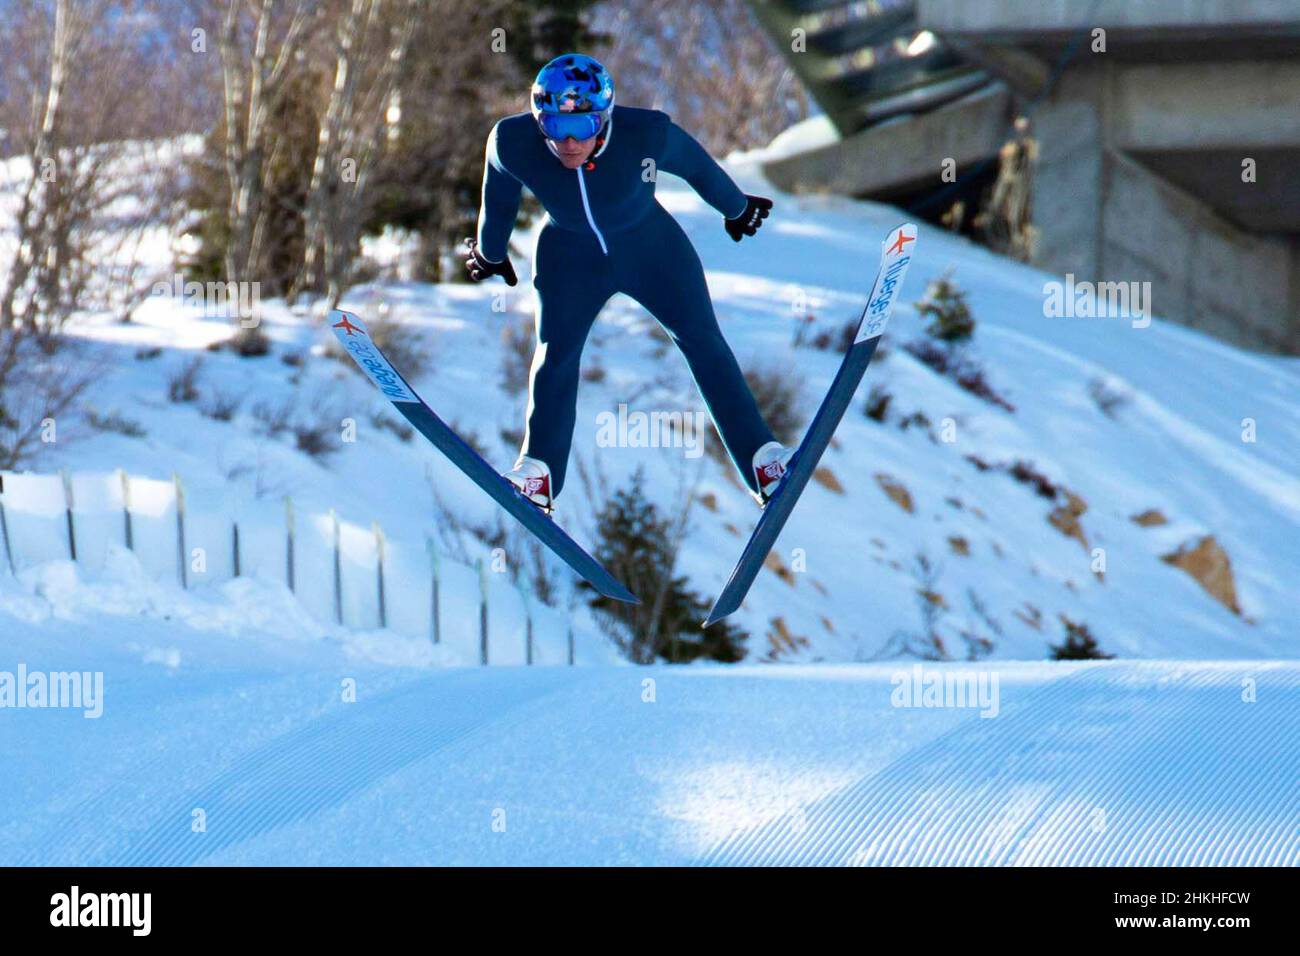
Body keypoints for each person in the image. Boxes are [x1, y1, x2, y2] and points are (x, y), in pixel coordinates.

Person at [464, 52, 792, 513]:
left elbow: (697, 165)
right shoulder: (512, 142)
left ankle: (764, 463)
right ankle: (539, 472)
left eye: (582, 128)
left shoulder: (646, 132)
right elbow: (497, 197)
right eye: (556, 127)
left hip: (652, 249)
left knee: (703, 341)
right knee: (555, 355)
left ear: (605, 117)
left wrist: (735, 207)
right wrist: (490, 253)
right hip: (569, 257)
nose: (569, 142)